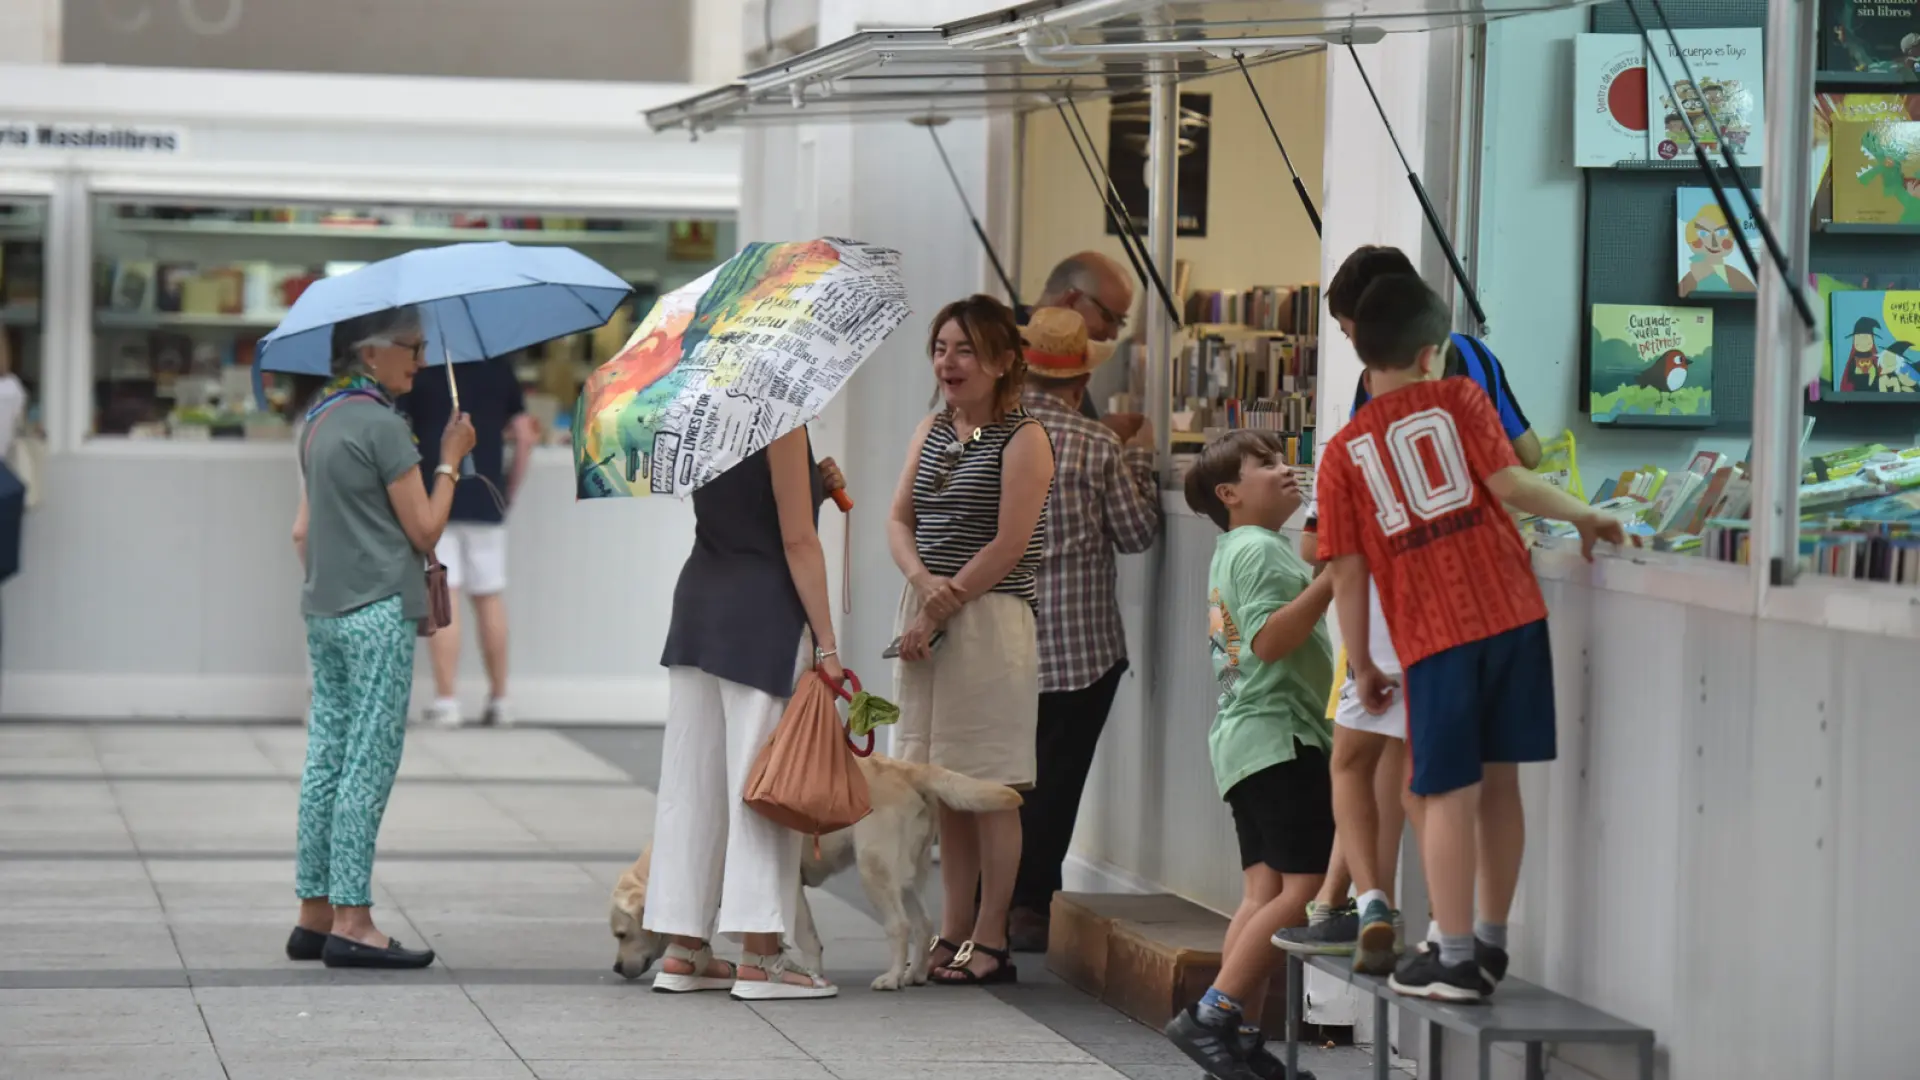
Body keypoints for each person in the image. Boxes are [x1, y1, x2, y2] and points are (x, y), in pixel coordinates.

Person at [1313, 274, 1621, 1003]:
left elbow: (1347, 572)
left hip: (1435, 632)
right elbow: (1511, 483)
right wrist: (1584, 513)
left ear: (1362, 351)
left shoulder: (1342, 454)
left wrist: (1364, 663)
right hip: (1512, 613)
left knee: (1444, 789)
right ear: (1432, 354)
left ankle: (1452, 958)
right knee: (1500, 781)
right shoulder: (1461, 399)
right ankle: (1489, 943)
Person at [1279, 245, 1546, 974]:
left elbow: (1333, 545)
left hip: (1404, 608)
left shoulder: (1374, 402)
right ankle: (1445, 932)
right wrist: (1582, 514)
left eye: (1348, 332)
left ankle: (1388, 915)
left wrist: (1356, 646)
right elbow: (1525, 457)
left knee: (1385, 770)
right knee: (1462, 780)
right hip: (1491, 604)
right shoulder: (1475, 364)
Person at [286, 305, 476, 969]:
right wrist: (450, 460)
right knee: (367, 763)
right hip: (377, 613)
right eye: (412, 347)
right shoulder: (385, 427)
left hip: (324, 610)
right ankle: (354, 922)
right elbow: (424, 529)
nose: (420, 360)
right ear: (370, 353)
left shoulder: (318, 420)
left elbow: (301, 533)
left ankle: (314, 913)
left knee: (326, 759)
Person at [644, 422, 846, 1000]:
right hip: (762, 614)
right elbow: (796, 540)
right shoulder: (779, 421)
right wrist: (828, 645)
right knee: (761, 787)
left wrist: (815, 486)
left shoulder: (708, 414)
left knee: (692, 786)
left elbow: (739, 507)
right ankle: (762, 956)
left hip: (699, 604)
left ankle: (684, 949)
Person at [889, 294, 1054, 986]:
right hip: (927, 611)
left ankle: (991, 937)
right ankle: (952, 930)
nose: (948, 363)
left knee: (991, 784)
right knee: (944, 783)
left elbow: (1010, 544)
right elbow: (899, 519)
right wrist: (922, 584)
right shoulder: (931, 428)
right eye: (940, 348)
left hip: (988, 621)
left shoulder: (1025, 437)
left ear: (1004, 360)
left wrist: (942, 604)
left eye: (965, 350)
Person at [1161, 430, 1335, 1080]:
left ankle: (1237, 1039)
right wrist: (1333, 580)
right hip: (1280, 737)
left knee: (1263, 893)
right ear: (1229, 493)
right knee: (1307, 889)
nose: (1285, 469)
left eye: (1282, 458)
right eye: (1265, 463)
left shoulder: (1234, 550)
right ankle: (1214, 1016)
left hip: (1246, 740)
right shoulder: (1260, 549)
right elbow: (1267, 641)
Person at [1007, 306, 1161, 954]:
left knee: (1002, 777)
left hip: (1002, 638)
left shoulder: (994, 434)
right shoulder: (1098, 445)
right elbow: (1136, 533)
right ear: (1081, 381)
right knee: (1057, 782)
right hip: (1082, 648)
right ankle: (1030, 906)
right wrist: (1142, 463)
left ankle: (986, 902)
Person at [401, 353, 536, 728]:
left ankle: (447, 702)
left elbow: (402, 436)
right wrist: (508, 490)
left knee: (444, 595)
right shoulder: (498, 367)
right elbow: (525, 435)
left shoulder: (420, 369)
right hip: (486, 495)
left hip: (435, 496)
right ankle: (500, 699)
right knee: (489, 596)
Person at [1033, 252, 1135, 421]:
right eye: (1109, 318)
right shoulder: (1002, 350)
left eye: (1120, 322)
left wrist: (1103, 429)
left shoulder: (1069, 354)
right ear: (1071, 300)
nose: (1113, 334)